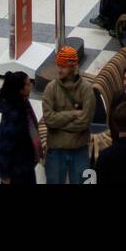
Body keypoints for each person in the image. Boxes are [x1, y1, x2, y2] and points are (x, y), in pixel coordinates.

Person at [42, 46, 95, 185]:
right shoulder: (50, 89)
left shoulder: (86, 89)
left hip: (79, 149)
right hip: (56, 150)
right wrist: (73, 113)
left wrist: (59, 124)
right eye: (58, 65)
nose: (59, 70)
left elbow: (85, 121)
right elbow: (49, 120)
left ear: (73, 67)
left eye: (63, 66)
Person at [0, 71, 42, 186]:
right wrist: (4, 175)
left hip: (25, 164)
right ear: (20, 89)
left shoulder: (23, 103)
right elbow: (3, 147)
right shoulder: (14, 116)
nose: (30, 85)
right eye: (27, 84)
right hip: (17, 172)